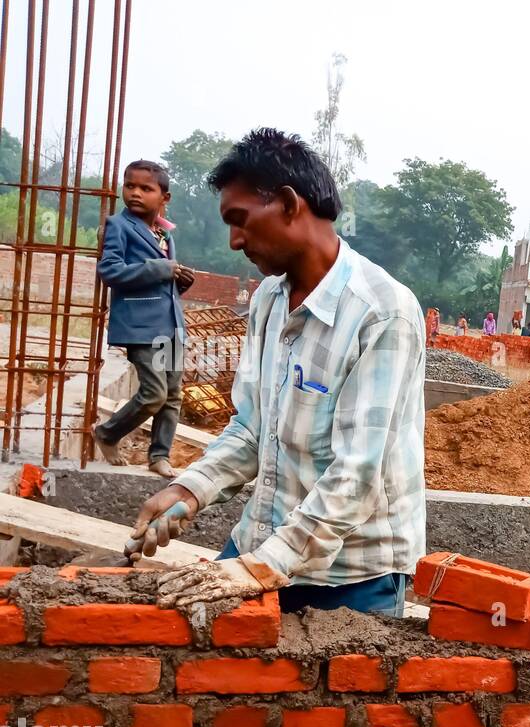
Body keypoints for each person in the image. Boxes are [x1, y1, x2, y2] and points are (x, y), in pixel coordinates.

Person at [128, 128, 426, 616]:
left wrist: (258, 570)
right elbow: (251, 426)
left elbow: (356, 474)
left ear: (289, 204)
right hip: (261, 541)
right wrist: (190, 487)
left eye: (240, 220)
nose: (234, 240)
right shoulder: (269, 299)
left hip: (350, 573)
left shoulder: (382, 311)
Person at [93, 160, 195, 478]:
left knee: (173, 394)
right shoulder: (118, 226)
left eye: (145, 188)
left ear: (165, 197)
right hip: (140, 327)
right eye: (130, 186)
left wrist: (178, 281)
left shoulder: (164, 233)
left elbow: (159, 278)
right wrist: (160, 269)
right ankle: (108, 433)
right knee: (154, 393)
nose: (135, 193)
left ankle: (159, 456)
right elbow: (109, 271)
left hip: (171, 324)